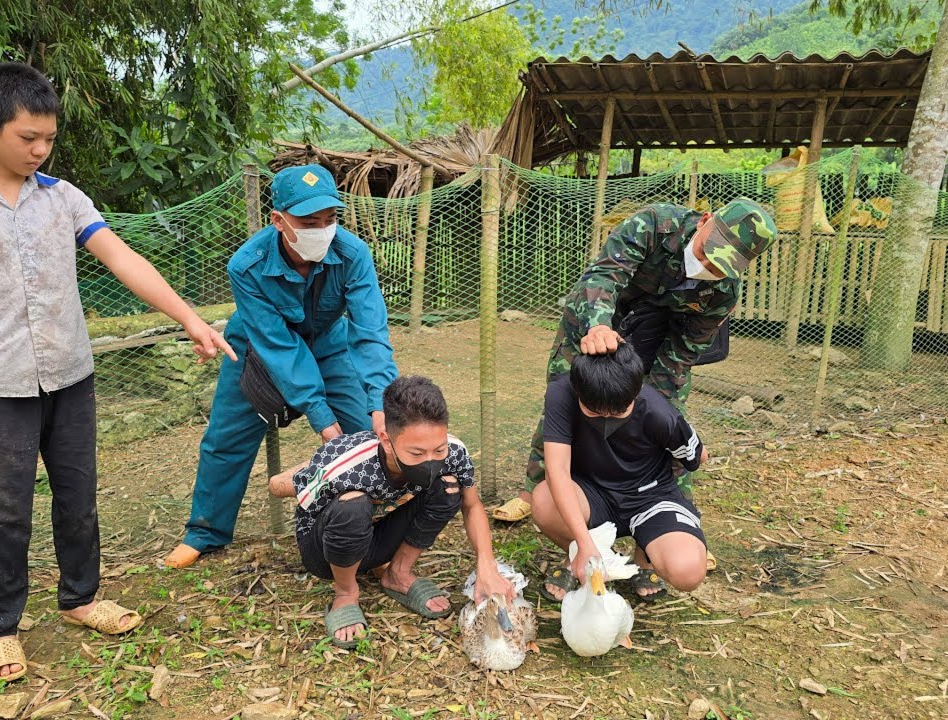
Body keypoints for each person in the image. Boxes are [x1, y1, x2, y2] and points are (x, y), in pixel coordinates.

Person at [0, 63, 234, 683]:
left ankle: (81, 598)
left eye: (49, 140)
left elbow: (121, 257)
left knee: (78, 496)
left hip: (70, 375)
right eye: (27, 138)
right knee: (2, 511)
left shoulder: (64, 199)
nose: (40, 150)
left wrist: (190, 318)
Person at [163, 164, 398, 569]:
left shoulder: (353, 253)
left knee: (367, 429)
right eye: (309, 222)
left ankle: (375, 514)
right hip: (257, 344)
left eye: (330, 219)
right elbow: (280, 347)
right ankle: (205, 532)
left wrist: (380, 401)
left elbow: (370, 332)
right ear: (279, 221)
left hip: (328, 342)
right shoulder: (246, 265)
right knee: (226, 436)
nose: (322, 230)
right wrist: (320, 417)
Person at [491, 198, 777, 527]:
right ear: (705, 221)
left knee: (667, 415)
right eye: (705, 253)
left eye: (719, 267)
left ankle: (678, 508)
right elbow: (603, 277)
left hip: (657, 338)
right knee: (567, 396)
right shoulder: (656, 225)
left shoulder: (724, 289)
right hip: (595, 319)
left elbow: (687, 347)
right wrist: (598, 326)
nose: (708, 267)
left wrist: (654, 397)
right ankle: (532, 491)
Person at [270, 376, 515, 648]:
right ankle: (346, 593)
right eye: (417, 453)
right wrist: (318, 470)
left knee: (448, 487)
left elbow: (472, 505)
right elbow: (276, 485)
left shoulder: (454, 453)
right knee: (352, 505)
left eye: (439, 448)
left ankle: (397, 573)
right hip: (326, 552)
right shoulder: (347, 462)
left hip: (376, 538)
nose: (430, 460)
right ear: (386, 439)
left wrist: (487, 566)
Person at [530, 345, 709, 601]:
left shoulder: (658, 411)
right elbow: (556, 470)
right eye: (593, 412)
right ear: (577, 390)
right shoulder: (561, 393)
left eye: (618, 413)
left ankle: (644, 556)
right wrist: (584, 542)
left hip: (651, 498)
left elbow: (698, 456)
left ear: (636, 393)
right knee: (544, 499)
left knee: (688, 572)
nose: (606, 420)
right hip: (593, 494)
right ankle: (589, 554)